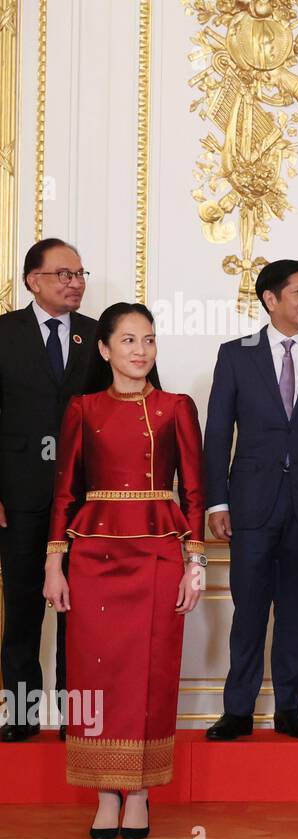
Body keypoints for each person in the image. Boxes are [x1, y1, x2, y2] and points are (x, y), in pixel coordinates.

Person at [42, 303, 205, 839]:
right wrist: (54, 562)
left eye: (150, 340)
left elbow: (196, 492)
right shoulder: (82, 408)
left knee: (151, 672)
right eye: (130, 341)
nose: (141, 351)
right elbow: (65, 490)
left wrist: (195, 564)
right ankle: (102, 791)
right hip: (93, 555)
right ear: (105, 349)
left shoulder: (176, 407)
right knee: (97, 672)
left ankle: (139, 792)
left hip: (159, 553)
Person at [0, 239, 157, 742]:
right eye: (63, 274)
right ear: (33, 280)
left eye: (80, 274)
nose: (75, 283)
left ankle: (76, 719)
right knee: (22, 607)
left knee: (83, 617)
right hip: (19, 493)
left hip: (90, 501)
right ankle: (21, 716)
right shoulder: (3, 333)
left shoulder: (99, 337)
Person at [203, 260, 298, 742]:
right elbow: (218, 433)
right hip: (250, 502)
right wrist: (216, 503)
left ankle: (290, 708)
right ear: (270, 300)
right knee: (248, 610)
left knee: (294, 609)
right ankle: (238, 710)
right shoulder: (236, 354)